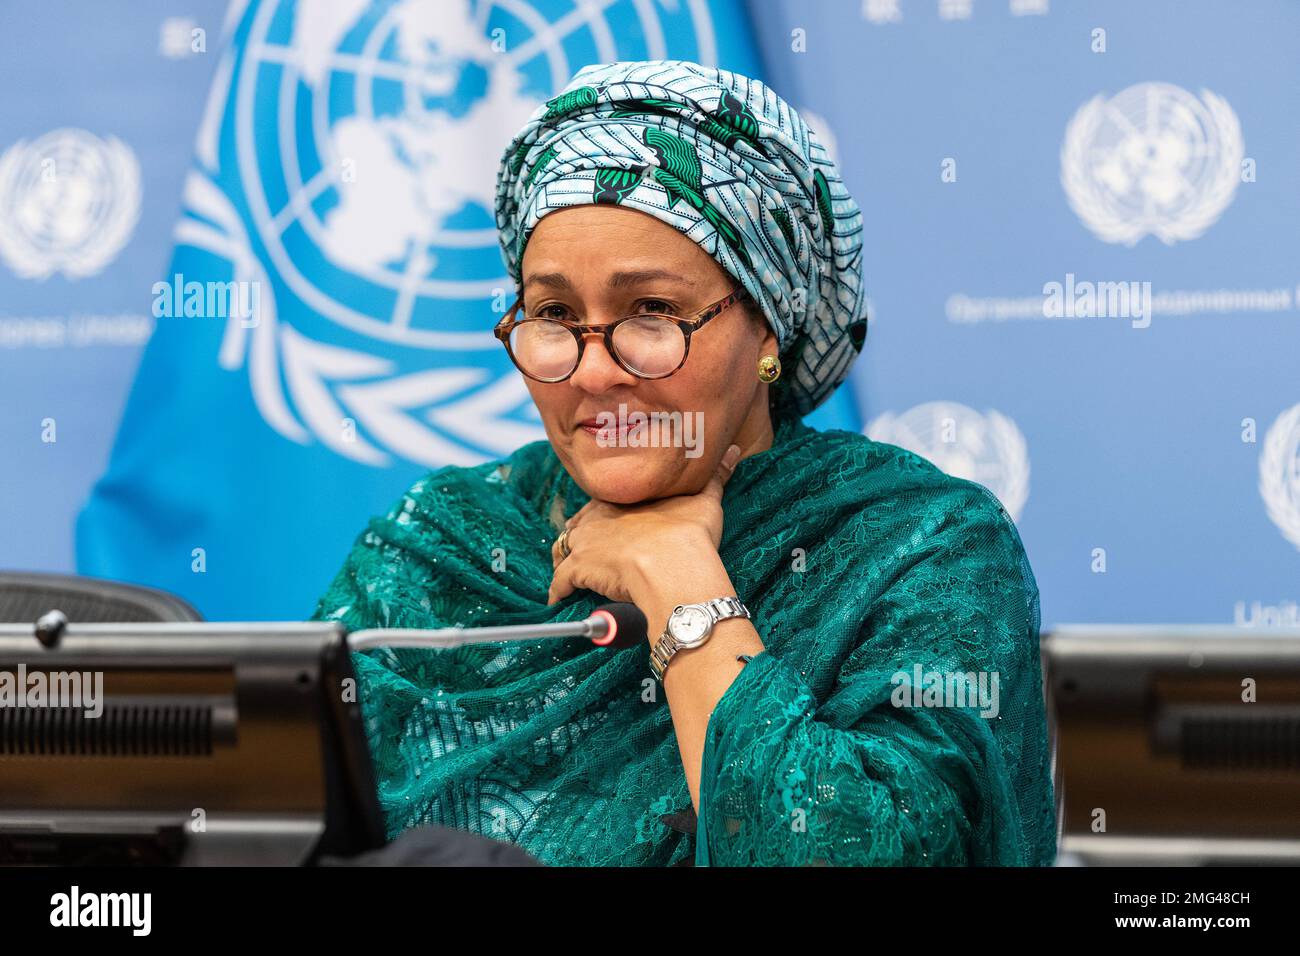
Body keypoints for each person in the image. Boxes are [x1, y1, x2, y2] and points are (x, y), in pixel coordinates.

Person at [311, 59, 1056, 866]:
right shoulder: (439, 547)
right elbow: (277, 823)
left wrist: (681, 584)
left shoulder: (923, 546)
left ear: (768, 329)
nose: (594, 372)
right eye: (555, 315)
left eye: (653, 313)